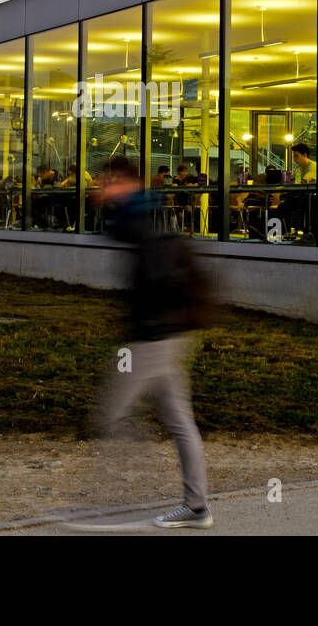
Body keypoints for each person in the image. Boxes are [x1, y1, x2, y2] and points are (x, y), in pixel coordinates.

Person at [97, 155, 213, 529]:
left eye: (110, 181)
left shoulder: (142, 215)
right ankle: (196, 506)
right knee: (179, 420)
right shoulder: (146, 209)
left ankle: (99, 499)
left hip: (154, 333)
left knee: (113, 413)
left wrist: (144, 329)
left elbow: (148, 264)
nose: (104, 187)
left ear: (126, 182)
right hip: (172, 329)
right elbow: (118, 233)